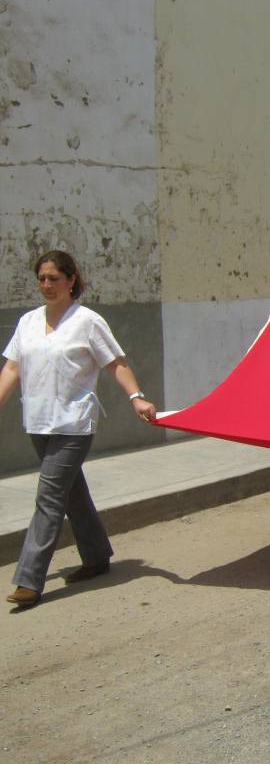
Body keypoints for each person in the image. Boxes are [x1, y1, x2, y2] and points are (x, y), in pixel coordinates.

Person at [0, 251, 157, 608]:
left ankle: (29, 579)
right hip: (38, 421)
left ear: (72, 280)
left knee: (49, 495)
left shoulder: (87, 321)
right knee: (71, 492)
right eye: (41, 278)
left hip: (73, 422)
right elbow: (12, 369)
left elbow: (115, 363)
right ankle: (97, 556)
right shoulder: (27, 322)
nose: (47, 285)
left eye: (54, 278)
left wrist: (136, 397)